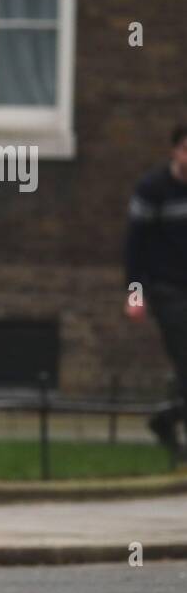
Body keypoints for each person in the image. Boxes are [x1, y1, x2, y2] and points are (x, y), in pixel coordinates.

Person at [124, 122, 187, 459]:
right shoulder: (153, 190)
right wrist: (135, 296)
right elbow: (135, 250)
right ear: (176, 152)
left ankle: (167, 419)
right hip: (168, 289)